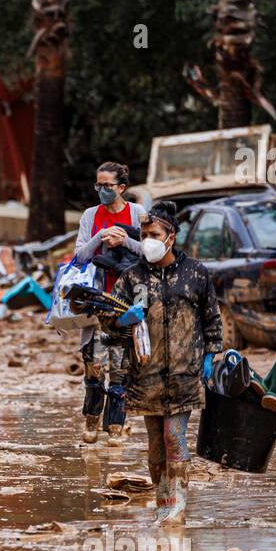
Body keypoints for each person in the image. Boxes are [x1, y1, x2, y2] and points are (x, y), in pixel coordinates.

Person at [104, 201, 222, 525]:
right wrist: (120, 320)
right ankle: (162, 499)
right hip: (145, 374)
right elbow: (109, 324)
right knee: (156, 446)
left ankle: (178, 506)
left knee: (174, 436)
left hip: (185, 373)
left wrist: (211, 356)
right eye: (143, 235)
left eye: (154, 234)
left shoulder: (196, 273)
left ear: (171, 236)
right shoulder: (131, 278)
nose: (148, 240)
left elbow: (212, 319)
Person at [71, 162, 146, 446]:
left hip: (128, 302)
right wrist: (99, 238)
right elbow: (79, 257)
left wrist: (125, 240)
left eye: (107, 186)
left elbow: (151, 253)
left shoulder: (137, 214)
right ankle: (90, 422)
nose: (102, 191)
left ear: (122, 188)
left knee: (121, 368)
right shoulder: (91, 215)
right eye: (98, 186)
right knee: (94, 367)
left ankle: (115, 428)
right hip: (94, 302)